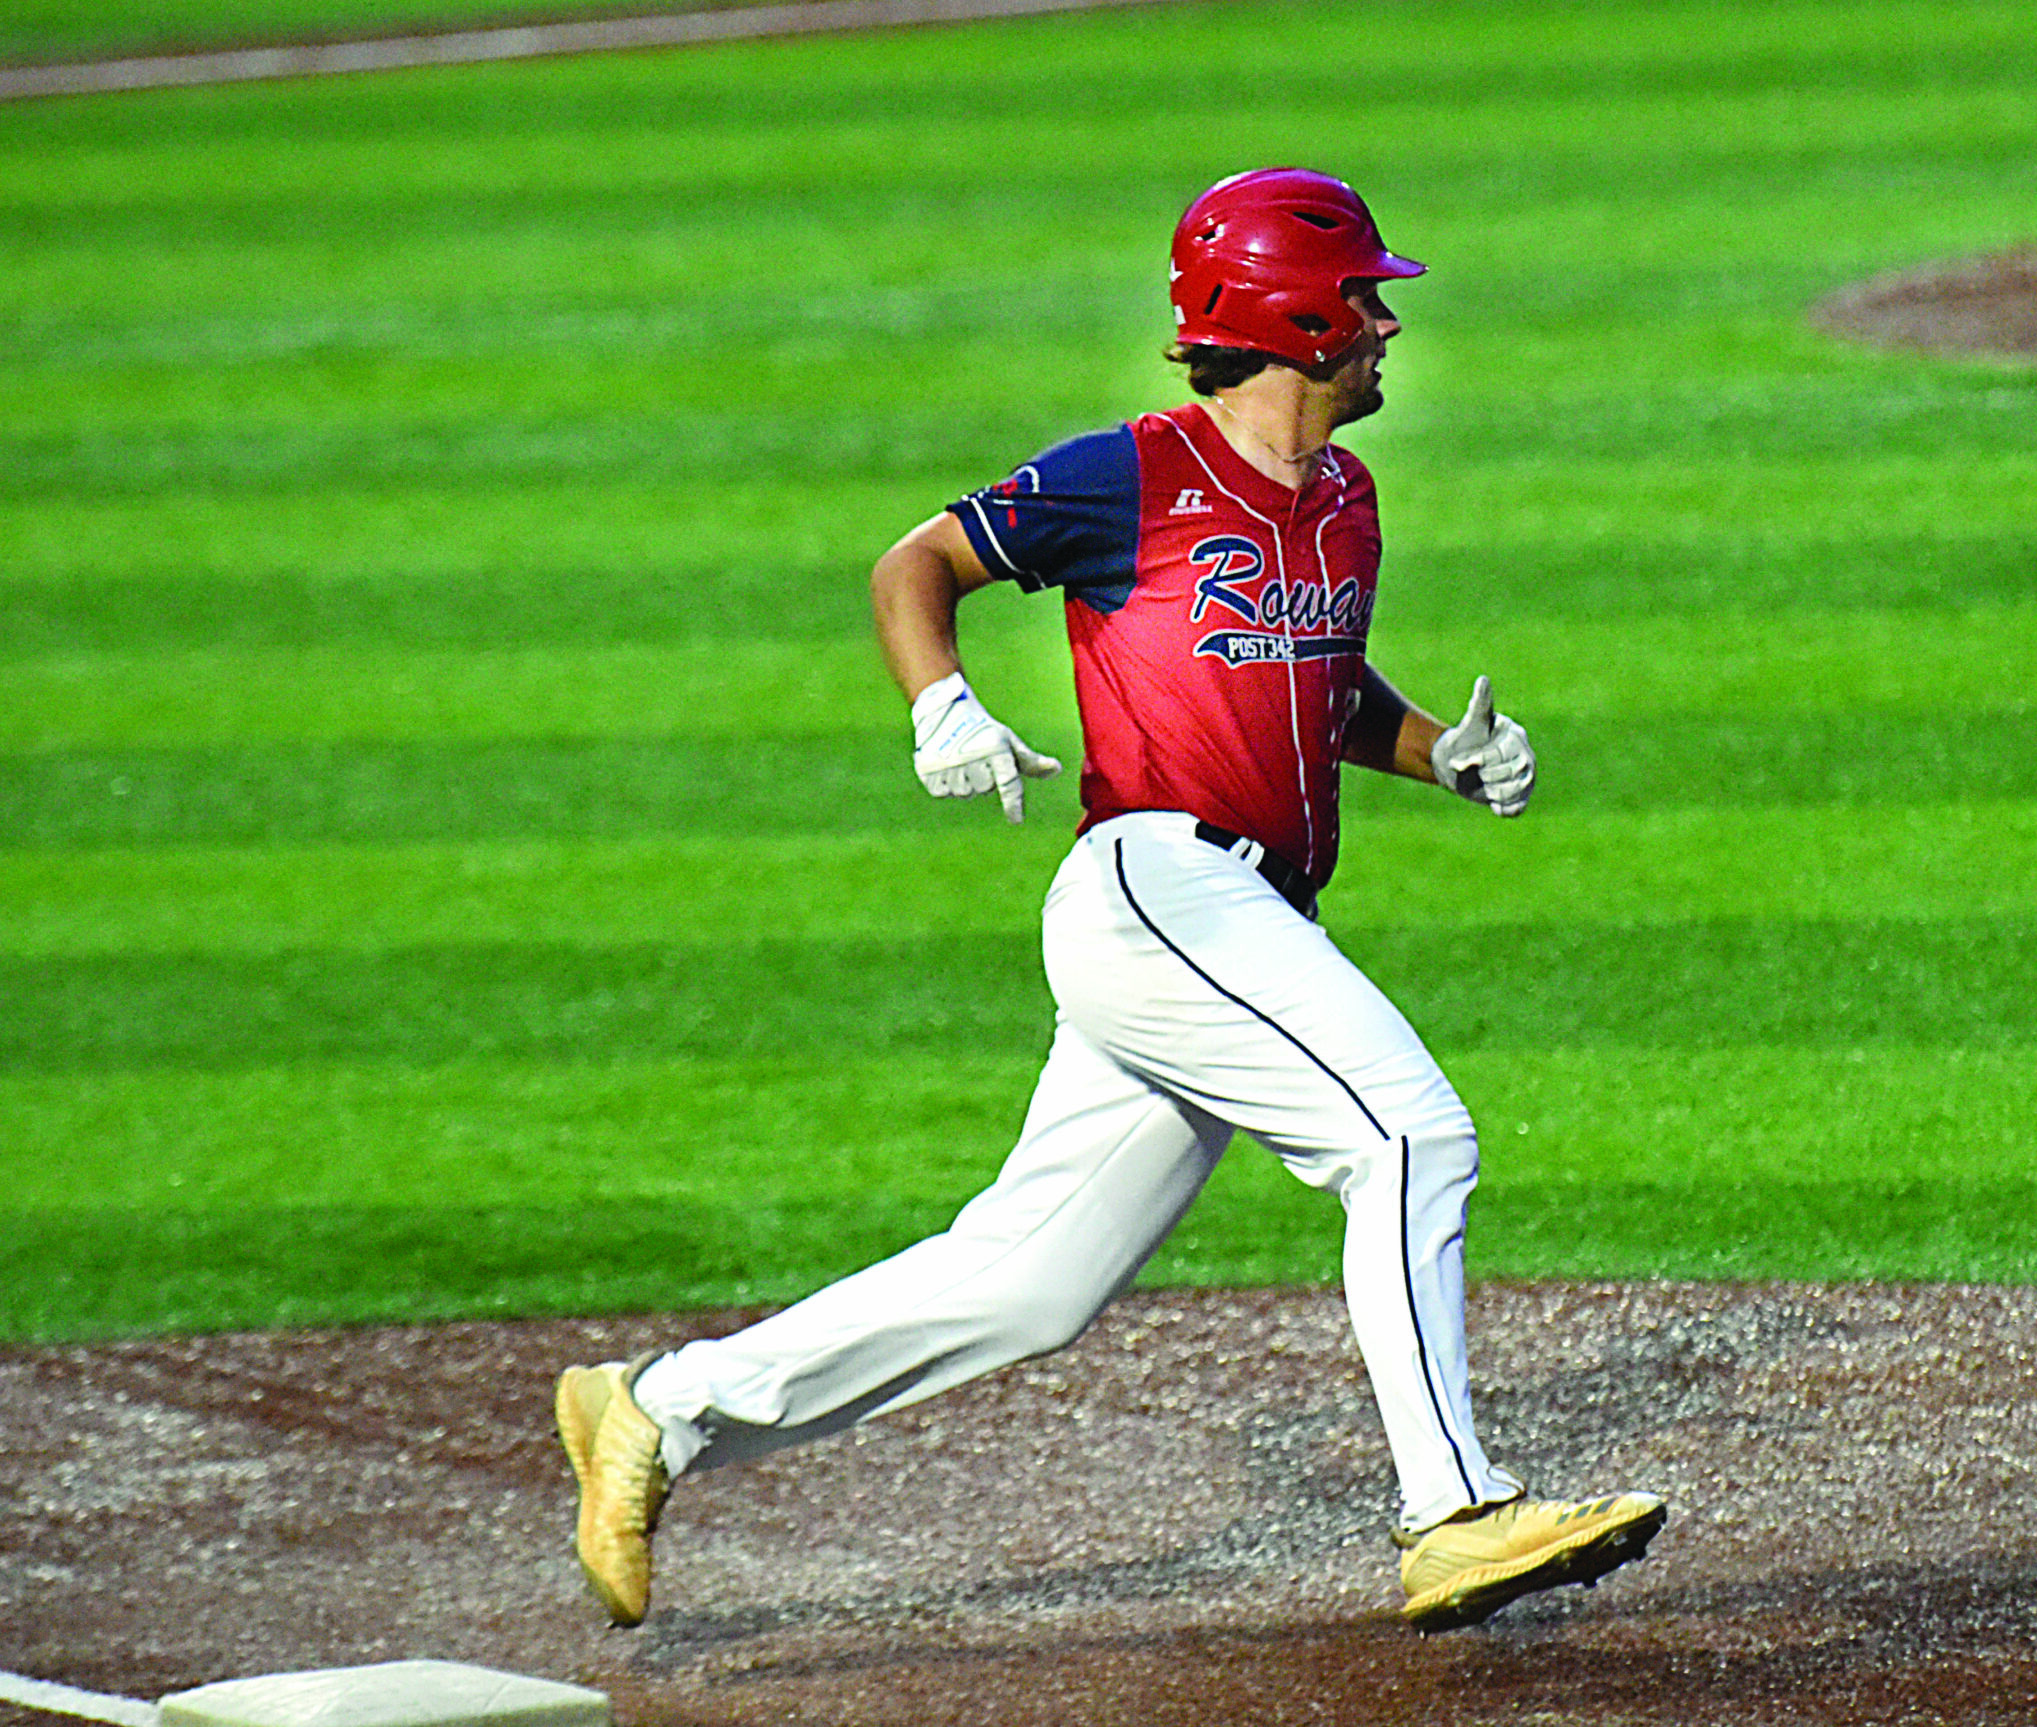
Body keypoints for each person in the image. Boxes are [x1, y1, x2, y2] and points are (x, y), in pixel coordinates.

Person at [555, 167, 1666, 1636]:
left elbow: (1310, 685)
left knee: (1026, 1282)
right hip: (1155, 885)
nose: (1387, 327)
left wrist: (1436, 755)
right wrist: (940, 704)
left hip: (1245, 920)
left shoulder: (1344, 497)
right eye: (1368, 301)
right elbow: (919, 563)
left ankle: (659, 1408)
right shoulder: (1129, 473)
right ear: (1302, 314)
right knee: (1408, 1131)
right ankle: (1454, 1509)